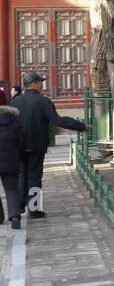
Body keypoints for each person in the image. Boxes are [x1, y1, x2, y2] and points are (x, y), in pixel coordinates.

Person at [12, 71, 87, 218]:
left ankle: (19, 207)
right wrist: (81, 126)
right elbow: (58, 121)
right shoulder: (43, 101)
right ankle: (34, 210)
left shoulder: (16, 101)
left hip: (19, 144)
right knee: (34, 176)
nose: (42, 85)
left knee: (21, 174)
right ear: (34, 84)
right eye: (40, 82)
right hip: (37, 145)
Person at [0, 100, 24, 229]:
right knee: (11, 189)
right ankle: (15, 215)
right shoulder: (14, 120)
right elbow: (20, 141)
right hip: (10, 159)